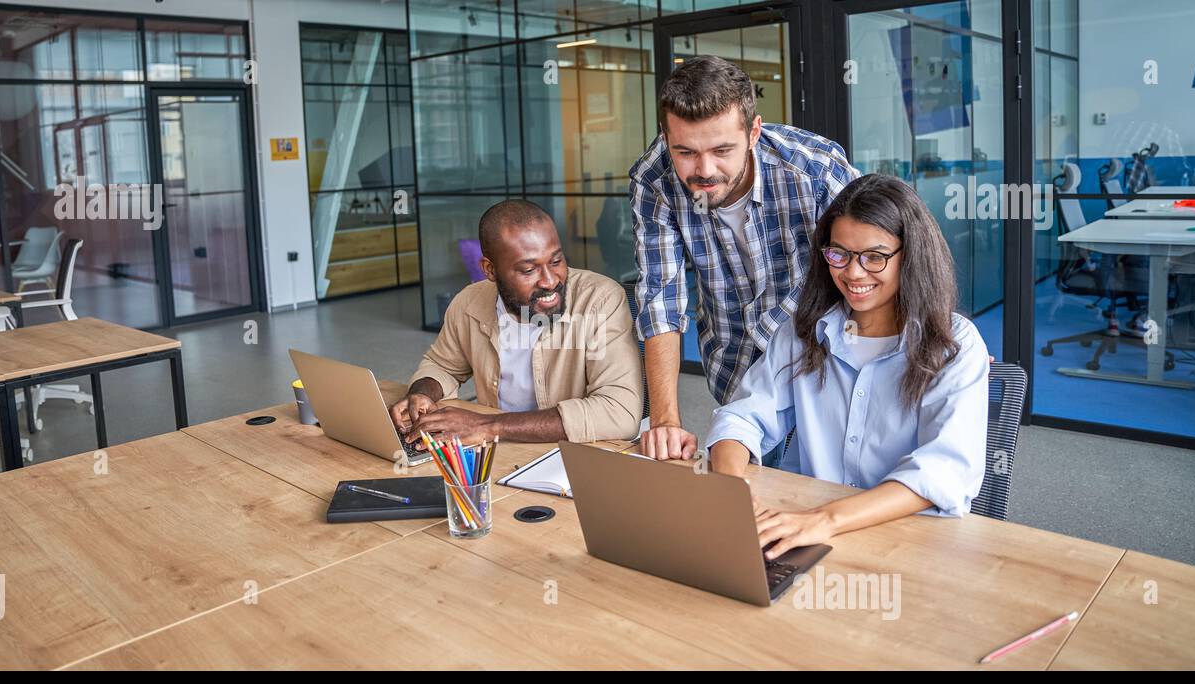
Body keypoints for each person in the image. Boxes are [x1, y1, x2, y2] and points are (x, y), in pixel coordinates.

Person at [706, 174, 990, 561]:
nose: (853, 274)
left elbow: (944, 470)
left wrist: (827, 519)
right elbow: (742, 418)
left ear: (911, 256)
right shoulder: (804, 331)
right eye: (839, 254)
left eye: (874, 257)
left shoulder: (955, 344)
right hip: (803, 531)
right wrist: (729, 493)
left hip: (906, 542)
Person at [630, 54, 859, 461]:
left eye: (722, 149)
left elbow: (881, 258)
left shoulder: (815, 170)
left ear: (754, 131)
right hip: (733, 366)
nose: (704, 170)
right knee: (743, 502)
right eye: (685, 151)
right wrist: (664, 420)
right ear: (665, 137)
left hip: (821, 363)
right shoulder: (655, 181)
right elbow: (661, 299)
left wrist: (930, 324)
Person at [389, 199, 643, 445]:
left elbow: (619, 411)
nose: (550, 281)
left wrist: (488, 426)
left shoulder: (600, 300)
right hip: (499, 451)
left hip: (569, 456)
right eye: (528, 270)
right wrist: (422, 392)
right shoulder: (468, 302)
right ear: (490, 270)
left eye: (556, 261)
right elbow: (441, 365)